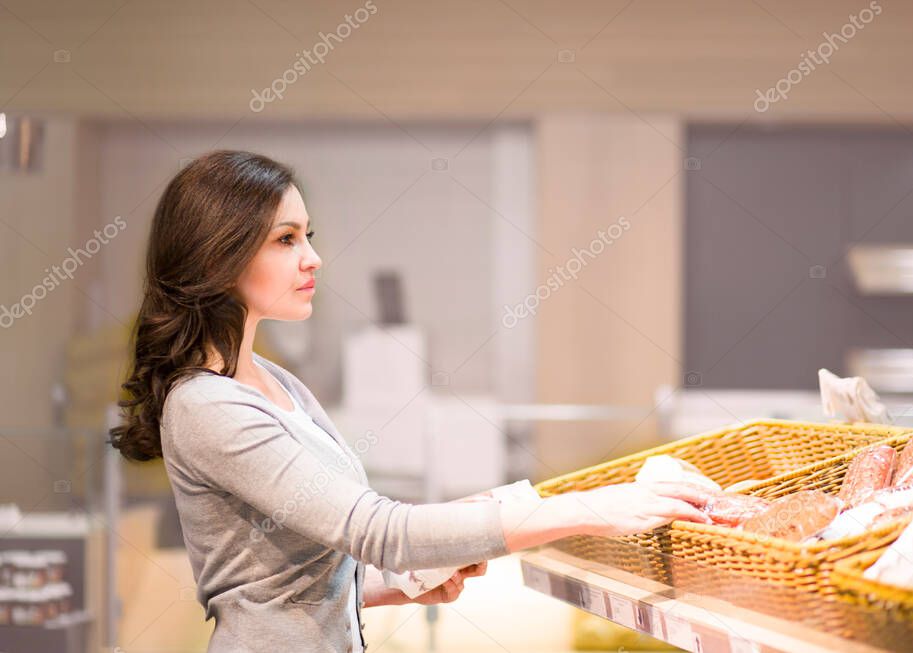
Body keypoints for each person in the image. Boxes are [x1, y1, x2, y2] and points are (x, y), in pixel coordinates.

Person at [108, 150, 711, 653]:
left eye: (307, 236)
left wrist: (396, 586)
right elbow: (379, 529)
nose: (313, 257)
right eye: (286, 239)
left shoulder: (276, 382)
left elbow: (290, 579)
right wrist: (597, 507)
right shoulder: (205, 408)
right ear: (220, 254)